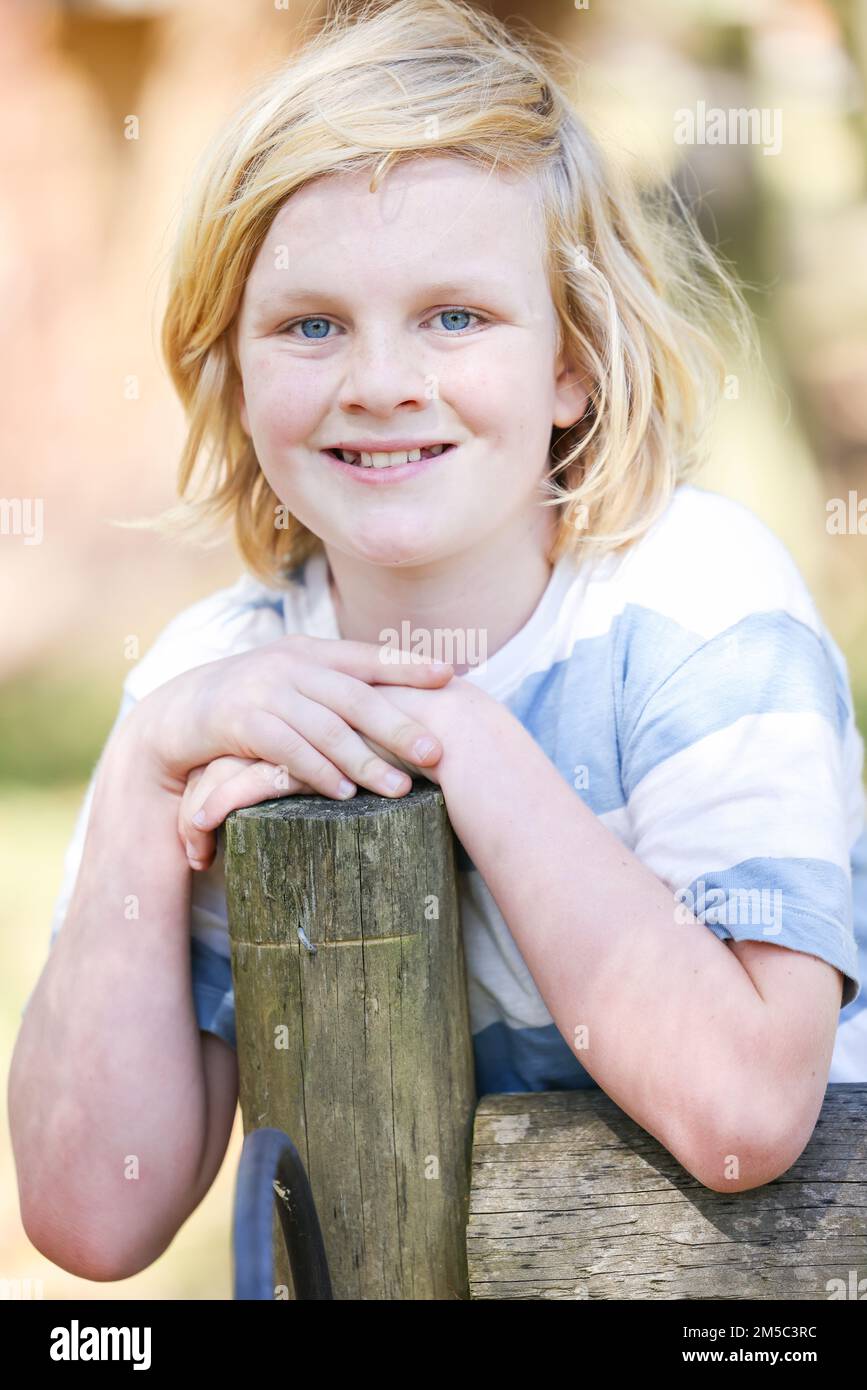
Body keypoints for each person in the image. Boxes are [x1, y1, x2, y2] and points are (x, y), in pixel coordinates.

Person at [10, 0, 865, 1282]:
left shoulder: (698, 612)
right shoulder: (210, 689)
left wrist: (456, 735)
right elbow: (90, 1215)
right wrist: (140, 778)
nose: (380, 379)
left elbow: (745, 1115)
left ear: (572, 361)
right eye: (310, 324)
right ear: (237, 373)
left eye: (455, 316)